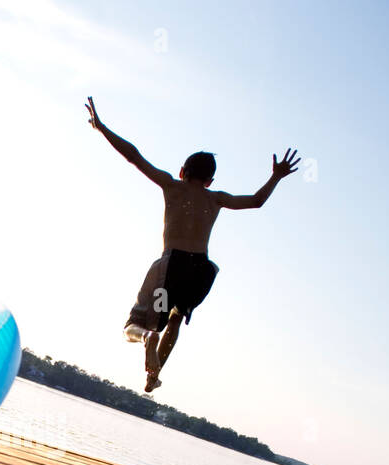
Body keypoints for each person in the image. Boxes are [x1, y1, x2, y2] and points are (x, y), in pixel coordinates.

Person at [85, 96, 300, 391]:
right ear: (210, 181)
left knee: (138, 324)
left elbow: (134, 156)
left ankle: (146, 337)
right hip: (199, 272)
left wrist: (102, 127)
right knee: (175, 319)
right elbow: (256, 201)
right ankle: (153, 376)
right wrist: (275, 176)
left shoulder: (172, 185)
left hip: (171, 268)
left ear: (183, 171)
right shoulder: (216, 198)